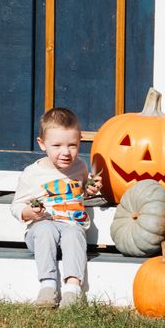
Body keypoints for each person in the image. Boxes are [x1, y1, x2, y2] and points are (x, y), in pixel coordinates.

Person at [11, 107, 104, 308]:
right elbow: (17, 205)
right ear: (42, 144)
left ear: (79, 140)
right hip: (41, 230)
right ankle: (48, 286)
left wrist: (90, 189)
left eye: (72, 145)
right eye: (57, 145)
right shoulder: (33, 173)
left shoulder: (79, 167)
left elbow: (78, 193)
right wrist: (29, 213)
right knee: (45, 229)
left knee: (74, 232)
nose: (66, 152)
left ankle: (72, 290)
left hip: (70, 226)